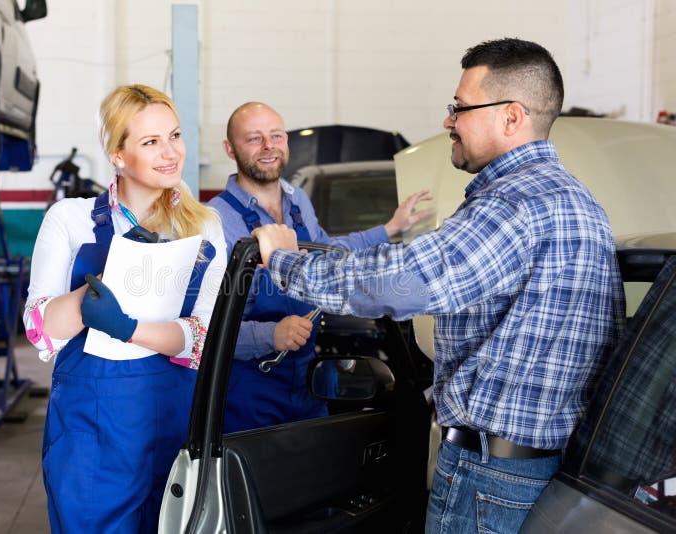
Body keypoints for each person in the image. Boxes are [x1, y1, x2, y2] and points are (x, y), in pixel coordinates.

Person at [252, 38, 626, 532]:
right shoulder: (579, 201)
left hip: (491, 478)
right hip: (545, 469)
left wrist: (285, 261)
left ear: (511, 117)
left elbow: (403, 281)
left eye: (460, 108)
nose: (449, 121)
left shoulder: (513, 205)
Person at [23, 84, 226, 533]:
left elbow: (199, 339)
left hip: (173, 426)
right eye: (150, 142)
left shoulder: (205, 227)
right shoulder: (70, 219)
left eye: (174, 136)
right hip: (91, 435)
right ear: (117, 155)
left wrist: (125, 326)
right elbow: (39, 329)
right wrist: (84, 301)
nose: (170, 152)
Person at [207, 101, 431, 433]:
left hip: (308, 386)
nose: (269, 147)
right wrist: (273, 335)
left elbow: (326, 253)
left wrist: (389, 229)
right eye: (254, 138)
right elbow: (205, 332)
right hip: (249, 393)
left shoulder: (297, 200)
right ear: (230, 148)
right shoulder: (215, 220)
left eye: (276, 136)